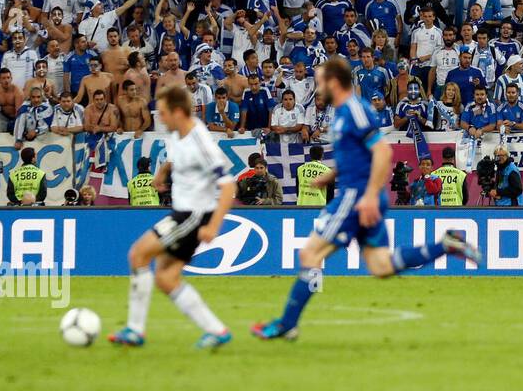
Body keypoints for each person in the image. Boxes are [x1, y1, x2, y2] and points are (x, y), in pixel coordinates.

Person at [252, 57, 482, 341]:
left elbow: (382, 152)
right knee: (381, 266)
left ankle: (287, 324)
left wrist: (370, 196)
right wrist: (330, 174)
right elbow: (357, 154)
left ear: (334, 81)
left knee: (310, 254)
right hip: (360, 194)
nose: (317, 85)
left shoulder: (354, 109)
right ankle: (445, 244)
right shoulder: (341, 112)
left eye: (321, 79)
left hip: (356, 197)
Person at [108, 86, 236, 350]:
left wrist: (213, 226)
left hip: (194, 214)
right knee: (166, 279)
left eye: (164, 113)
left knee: (138, 255)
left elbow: (228, 185)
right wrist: (163, 172)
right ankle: (217, 330)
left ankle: (134, 330)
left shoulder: (200, 140)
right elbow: (177, 159)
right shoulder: (179, 133)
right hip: (185, 211)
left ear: (178, 112)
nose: (161, 119)